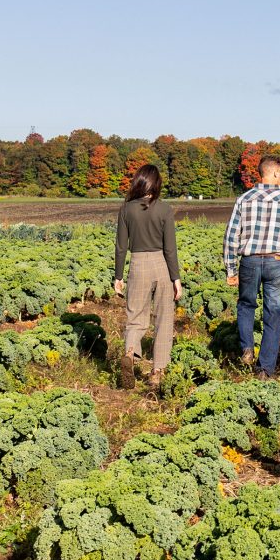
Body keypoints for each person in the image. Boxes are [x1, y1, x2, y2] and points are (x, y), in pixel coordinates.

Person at [223, 155, 280, 375]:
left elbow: (231, 236)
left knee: (246, 305)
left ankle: (247, 348)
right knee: (274, 313)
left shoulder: (244, 199)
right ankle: (265, 369)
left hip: (249, 261)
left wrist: (231, 269)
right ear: (275, 173)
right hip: (277, 262)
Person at [113, 164, 181, 395]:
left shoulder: (126, 210)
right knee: (163, 319)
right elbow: (170, 249)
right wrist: (176, 278)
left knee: (135, 318)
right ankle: (157, 371)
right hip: (161, 264)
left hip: (138, 264)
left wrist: (118, 276)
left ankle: (130, 353)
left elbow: (121, 246)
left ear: (138, 182)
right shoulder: (164, 209)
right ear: (157, 184)